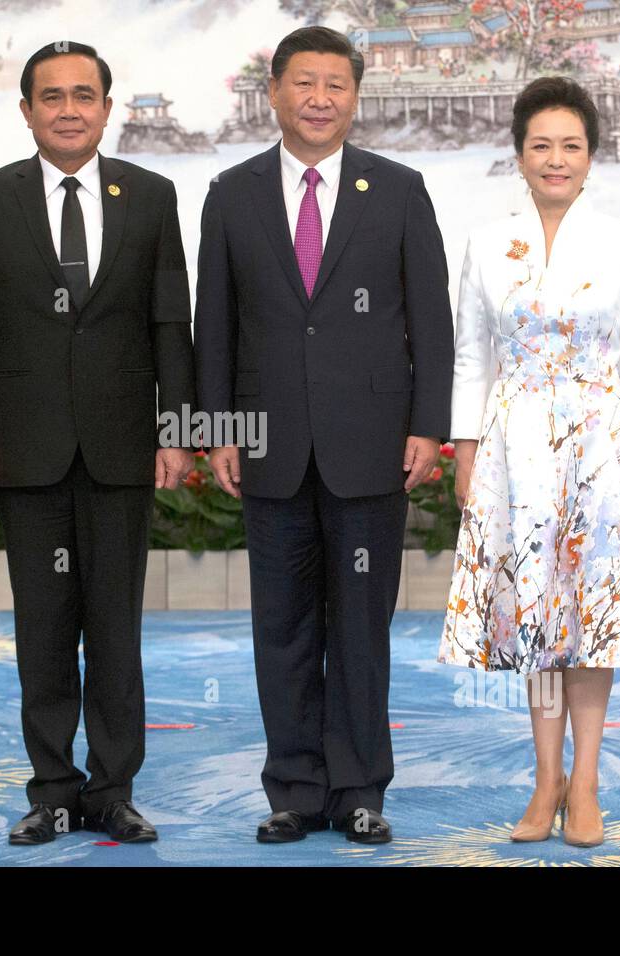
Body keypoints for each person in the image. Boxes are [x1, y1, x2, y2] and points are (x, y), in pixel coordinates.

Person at [194, 26, 454, 845]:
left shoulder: (401, 188)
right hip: (269, 445)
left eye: (335, 84)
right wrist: (218, 428)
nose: (318, 98)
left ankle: (361, 788)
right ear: (273, 91)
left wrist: (429, 426)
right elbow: (216, 326)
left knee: (361, 626)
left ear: (354, 96)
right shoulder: (230, 192)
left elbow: (432, 323)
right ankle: (296, 790)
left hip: (372, 444)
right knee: (283, 624)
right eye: (302, 82)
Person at [0, 41, 197, 846]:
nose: (68, 109)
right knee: (43, 625)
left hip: (123, 448)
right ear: (26, 111)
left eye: (83, 95)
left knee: (116, 627)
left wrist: (178, 427)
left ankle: (113, 789)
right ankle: (53, 788)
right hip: (25, 450)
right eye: (50, 96)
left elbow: (169, 324)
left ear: (107, 108)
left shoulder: (150, 196)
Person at [438, 76, 620, 849]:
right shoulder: (485, 242)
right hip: (515, 448)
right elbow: (470, 357)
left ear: (591, 157)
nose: (555, 159)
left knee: (594, 620)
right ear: (518, 155)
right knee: (536, 619)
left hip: (600, 447)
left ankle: (586, 786)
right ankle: (544, 782)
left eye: (570, 146)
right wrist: (467, 453)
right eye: (540, 145)